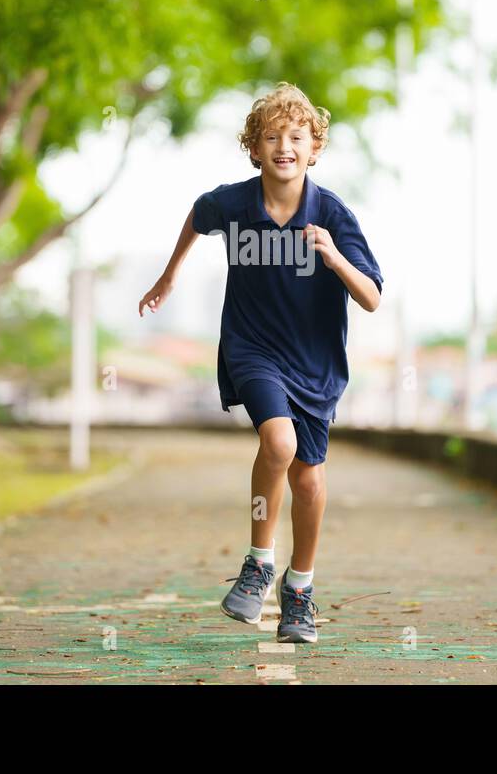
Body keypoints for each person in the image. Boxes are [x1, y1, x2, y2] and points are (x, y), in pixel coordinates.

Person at [138, 82, 382, 643]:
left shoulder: (331, 214)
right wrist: (170, 274)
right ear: (254, 148)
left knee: (308, 479)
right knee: (278, 444)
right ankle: (258, 563)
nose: (284, 146)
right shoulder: (236, 202)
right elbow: (199, 215)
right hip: (252, 349)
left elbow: (371, 297)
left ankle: (299, 589)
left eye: (297, 137)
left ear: (314, 149)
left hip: (315, 364)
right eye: (272, 136)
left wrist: (335, 257)